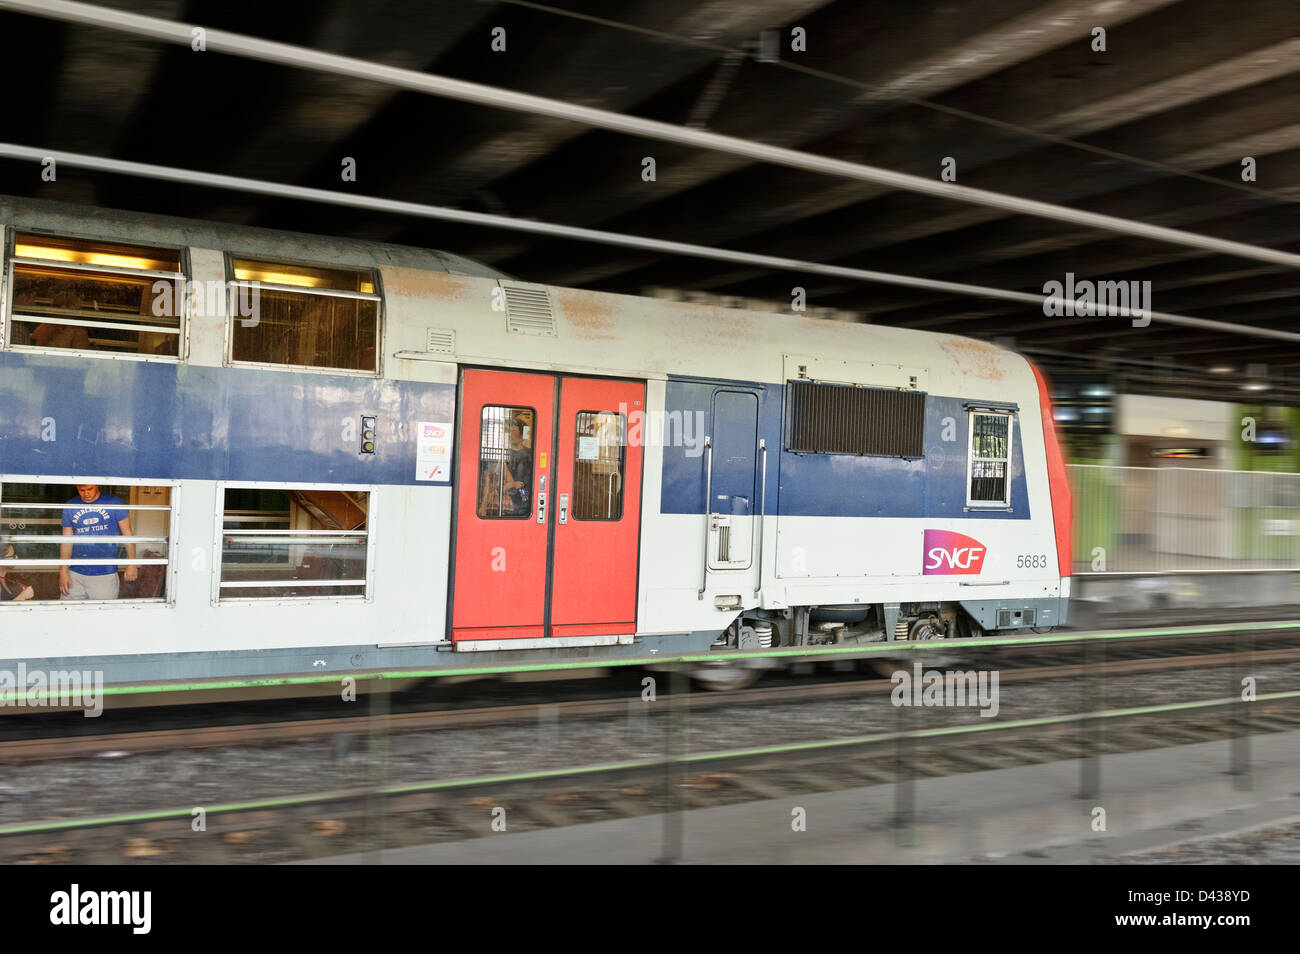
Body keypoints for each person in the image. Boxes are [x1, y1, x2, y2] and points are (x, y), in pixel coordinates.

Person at [60, 485, 137, 600]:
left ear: (96, 486)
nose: (86, 493)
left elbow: (128, 534)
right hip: (75, 572)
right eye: (82, 490)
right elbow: (66, 541)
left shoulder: (113, 502)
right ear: (77, 488)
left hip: (105, 573)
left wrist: (132, 564)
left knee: (102, 615)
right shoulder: (70, 506)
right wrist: (63, 571)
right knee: (68, 612)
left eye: (89, 489)